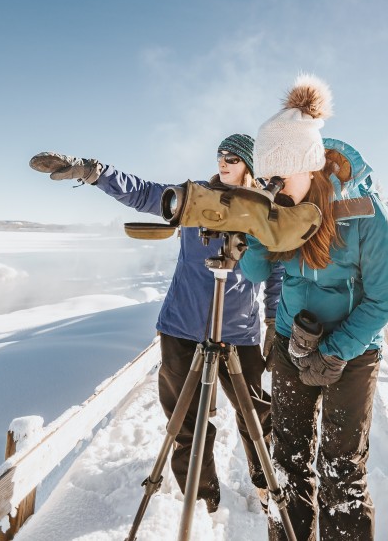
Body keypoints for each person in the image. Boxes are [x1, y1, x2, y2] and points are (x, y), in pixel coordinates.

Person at [30, 134, 282, 514]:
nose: (223, 161)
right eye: (219, 155)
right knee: (185, 422)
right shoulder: (194, 198)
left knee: (257, 416)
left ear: (250, 164)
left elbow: (276, 270)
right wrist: (95, 172)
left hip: (238, 330)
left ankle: (266, 485)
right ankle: (201, 496)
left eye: (232, 157)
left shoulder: (265, 208)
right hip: (181, 326)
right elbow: (145, 193)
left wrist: (273, 319)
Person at [239, 76, 388, 540]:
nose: (274, 184)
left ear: (307, 166)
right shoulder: (285, 208)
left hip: (350, 355)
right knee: (287, 461)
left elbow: (385, 298)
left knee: (341, 470)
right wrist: (258, 223)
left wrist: (336, 350)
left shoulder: (368, 214)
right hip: (293, 346)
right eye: (267, 176)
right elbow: (253, 274)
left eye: (279, 175)